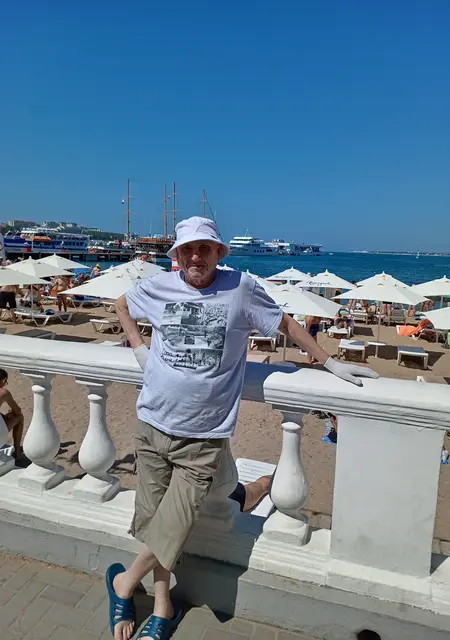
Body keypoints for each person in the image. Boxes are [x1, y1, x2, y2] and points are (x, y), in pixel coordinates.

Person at [109, 216, 378, 640]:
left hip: (204, 435)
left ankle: (123, 582)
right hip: (152, 423)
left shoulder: (241, 288)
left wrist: (329, 362)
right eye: (187, 249)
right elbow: (121, 304)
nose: (195, 256)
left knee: (174, 523)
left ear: (219, 252)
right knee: (153, 520)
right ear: (177, 256)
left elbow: (286, 324)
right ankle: (161, 604)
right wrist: (139, 348)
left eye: (204, 248)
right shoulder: (159, 285)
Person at [0, 369, 24, 460]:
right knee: (19, 418)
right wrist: (12, 412)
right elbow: (18, 411)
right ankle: (17, 453)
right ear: (3, 380)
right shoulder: (3, 393)